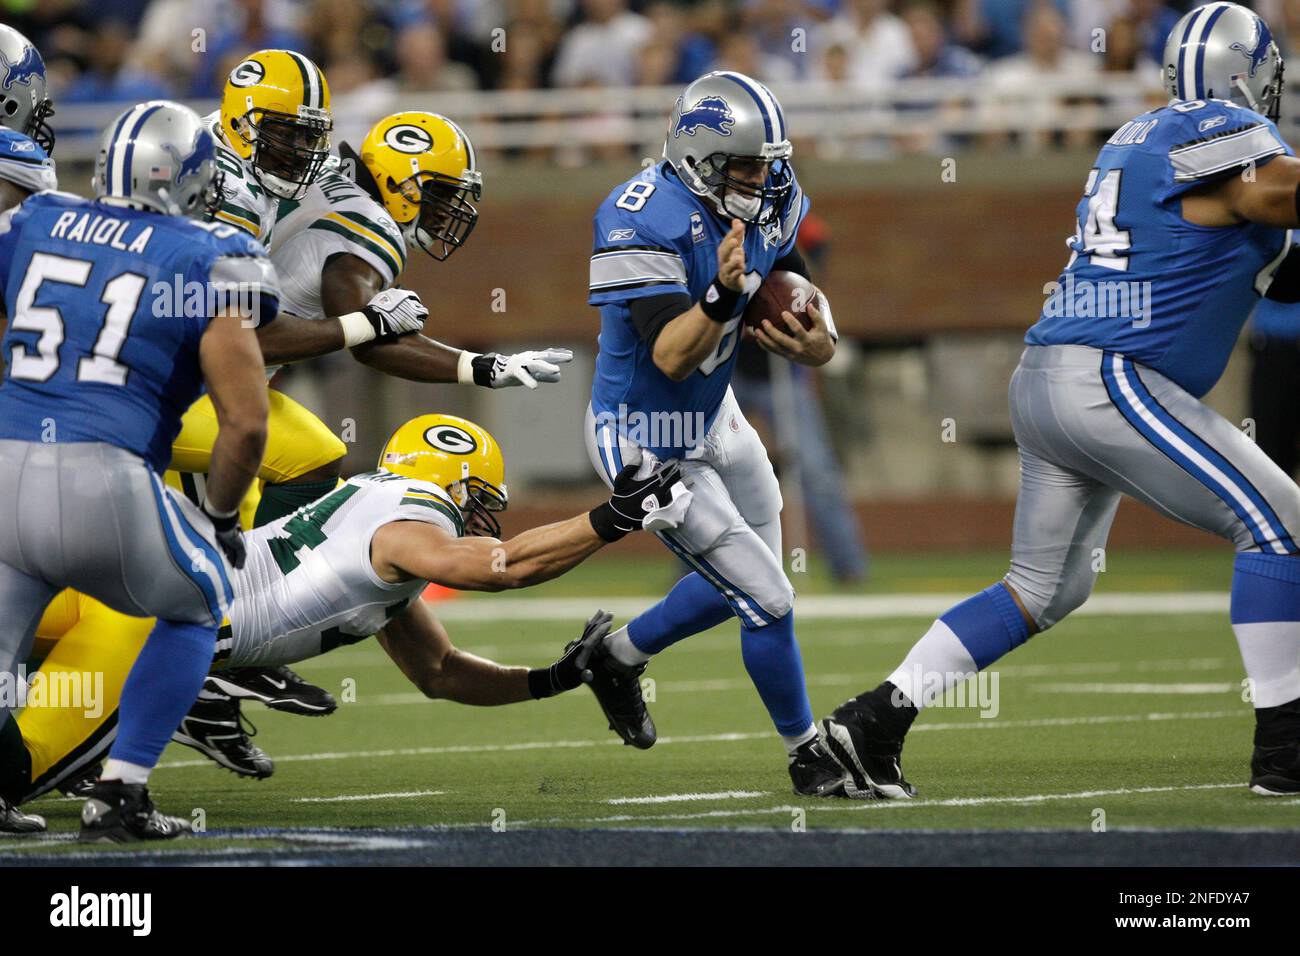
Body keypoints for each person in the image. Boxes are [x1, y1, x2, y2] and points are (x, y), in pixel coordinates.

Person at [820, 3, 1300, 800]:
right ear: (1244, 74)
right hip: (1109, 377)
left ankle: (872, 724)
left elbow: (1250, 249)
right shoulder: (1219, 134)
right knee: (1281, 525)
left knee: (1046, 589)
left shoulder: (1135, 137)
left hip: (1048, 376)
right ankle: (1286, 754)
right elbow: (1273, 197)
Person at [7, 414, 688, 811]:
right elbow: (497, 568)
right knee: (14, 774)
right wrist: (614, 518)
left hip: (116, 597)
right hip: (148, 631)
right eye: (478, 495)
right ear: (449, 480)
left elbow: (442, 671)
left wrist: (550, 678)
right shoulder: (409, 520)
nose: (483, 514)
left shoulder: (373, 514)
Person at [0, 101, 277, 841]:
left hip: (3, 467)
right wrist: (219, 518)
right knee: (200, 596)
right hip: (103, 476)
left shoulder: (34, 219)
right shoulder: (207, 253)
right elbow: (247, 424)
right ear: (187, 178)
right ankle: (121, 792)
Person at [581, 71, 846, 797]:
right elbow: (669, 352)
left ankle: (618, 656)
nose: (764, 178)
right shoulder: (639, 214)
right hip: (643, 433)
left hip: (714, 414)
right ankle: (808, 753)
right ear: (700, 158)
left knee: (760, 576)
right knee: (768, 596)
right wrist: (724, 292)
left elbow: (789, 275)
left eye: (768, 162)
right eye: (747, 165)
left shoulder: (774, 192)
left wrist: (821, 339)